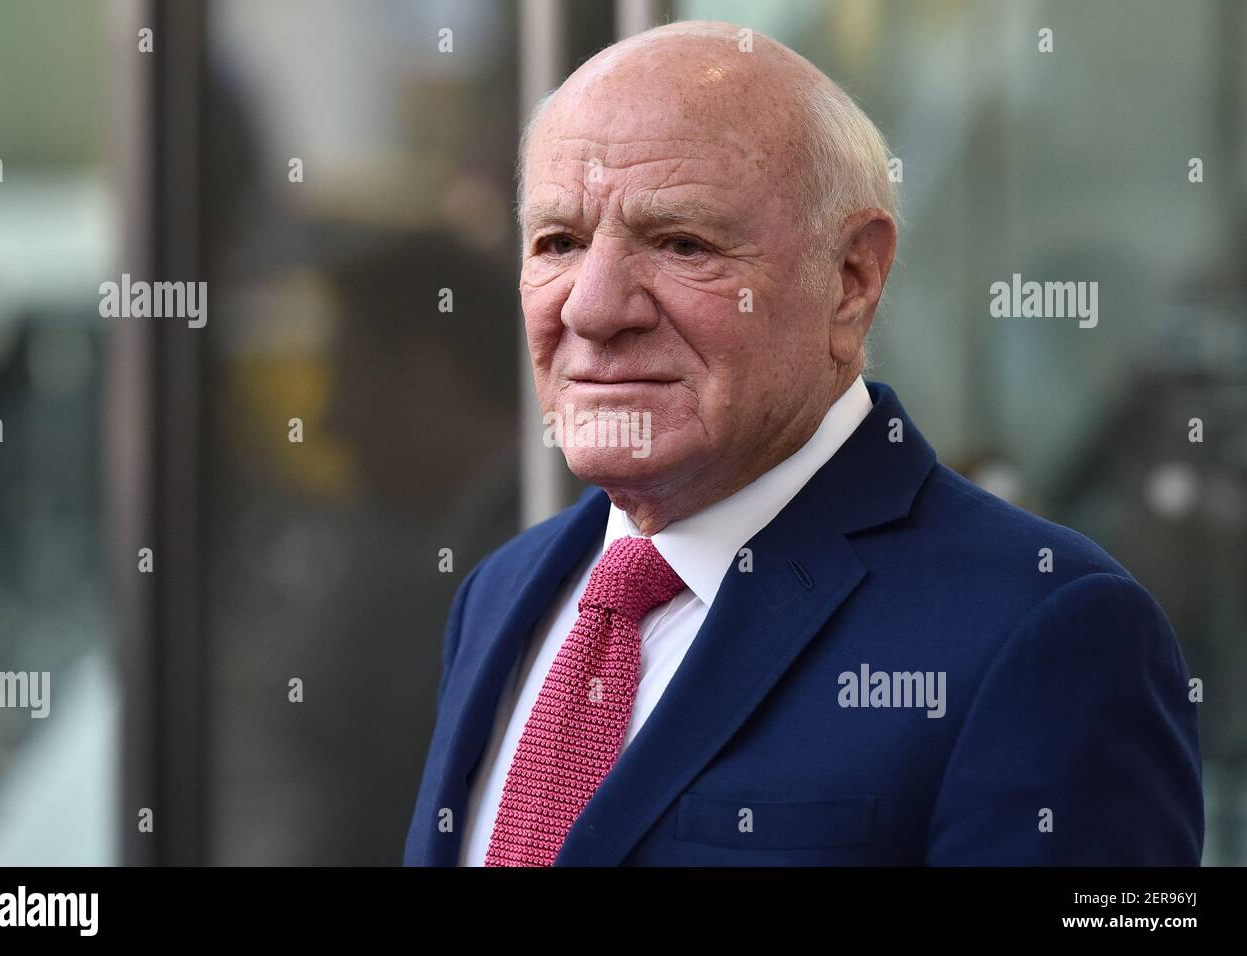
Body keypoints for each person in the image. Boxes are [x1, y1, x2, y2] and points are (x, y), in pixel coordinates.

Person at [404, 20, 1203, 866]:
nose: (594, 308)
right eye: (558, 242)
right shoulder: (503, 594)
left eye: (682, 243)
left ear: (853, 280)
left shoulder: (1048, 635)